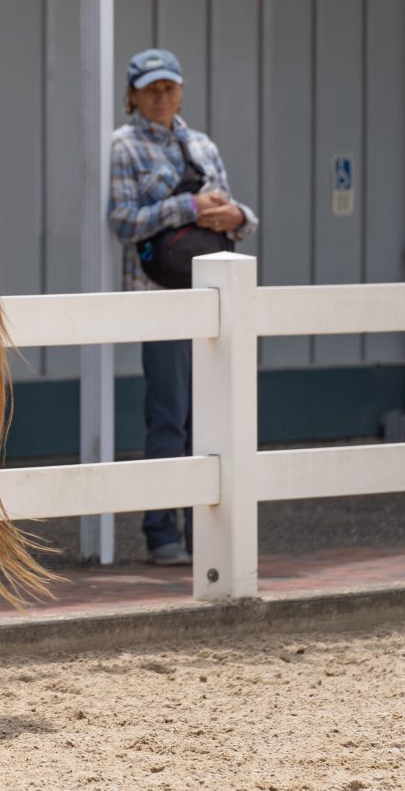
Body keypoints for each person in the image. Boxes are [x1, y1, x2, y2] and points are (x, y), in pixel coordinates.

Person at [108, 49, 258, 566]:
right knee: (169, 414)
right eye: (151, 89)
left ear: (181, 91)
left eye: (169, 88)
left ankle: (203, 535)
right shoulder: (123, 146)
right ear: (132, 95)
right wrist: (188, 207)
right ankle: (161, 533)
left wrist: (236, 216)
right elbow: (123, 221)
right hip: (162, 297)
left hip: (214, 298)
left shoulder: (202, 145)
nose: (161, 98)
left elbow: (239, 215)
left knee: (211, 419)